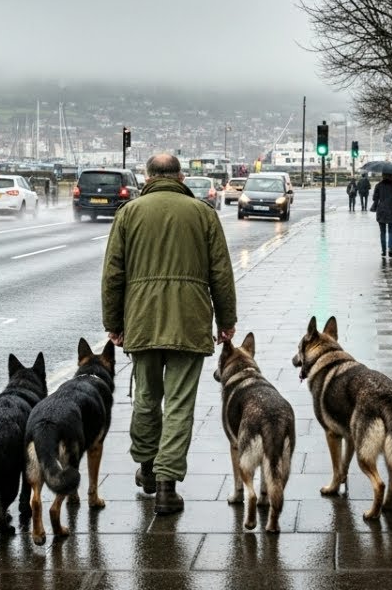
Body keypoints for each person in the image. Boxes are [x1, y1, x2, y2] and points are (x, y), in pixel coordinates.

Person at [102, 153, 237, 515]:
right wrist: (226, 320)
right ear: (180, 176)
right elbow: (220, 272)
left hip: (142, 318)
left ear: (147, 177)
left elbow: (113, 274)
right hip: (189, 320)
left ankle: (146, 470)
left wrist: (113, 324)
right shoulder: (203, 214)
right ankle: (166, 486)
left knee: (146, 396)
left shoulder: (129, 213)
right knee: (179, 404)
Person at [372, 172, 392, 258]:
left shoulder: (378, 185)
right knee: (391, 231)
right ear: (391, 175)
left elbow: (374, 198)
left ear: (383, 175)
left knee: (383, 232)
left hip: (381, 210)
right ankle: (390, 249)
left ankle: (383, 250)